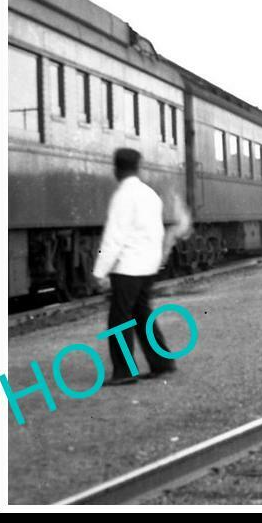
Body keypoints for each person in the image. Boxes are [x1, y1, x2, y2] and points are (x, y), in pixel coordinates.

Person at [92, 148, 175, 385]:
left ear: (116, 169)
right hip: (147, 267)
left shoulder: (122, 196)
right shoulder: (150, 195)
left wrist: (99, 271)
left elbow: (113, 238)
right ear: (138, 168)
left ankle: (124, 371)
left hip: (127, 267)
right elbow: (157, 232)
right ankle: (162, 362)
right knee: (142, 313)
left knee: (119, 319)